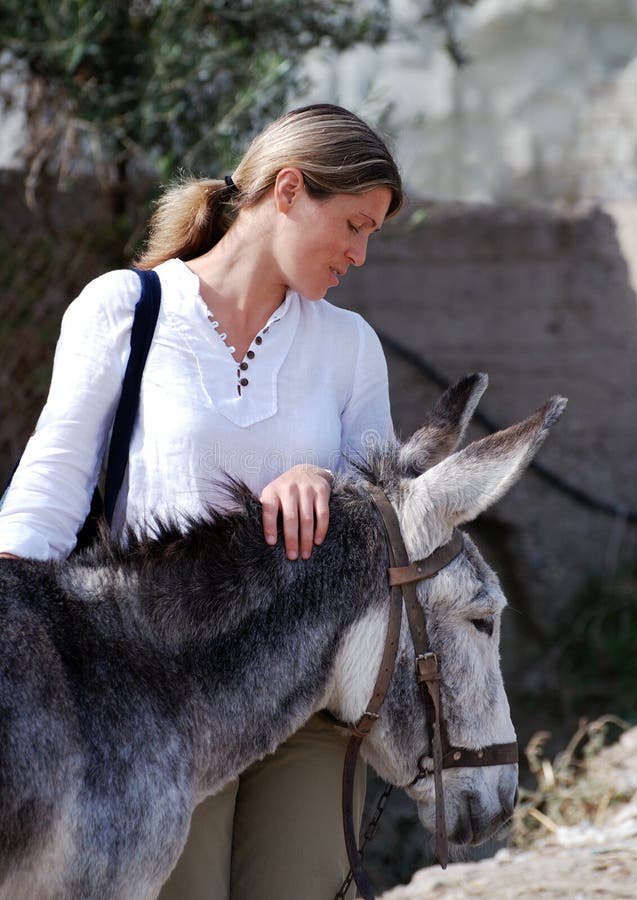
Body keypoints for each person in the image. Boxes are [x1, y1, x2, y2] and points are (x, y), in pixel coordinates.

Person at [0, 103, 403, 899]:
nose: (359, 254)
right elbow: (49, 493)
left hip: (307, 702)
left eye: (372, 235)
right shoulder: (127, 310)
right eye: (354, 224)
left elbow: (388, 520)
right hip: (153, 698)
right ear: (288, 190)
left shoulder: (349, 346)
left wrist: (327, 481)